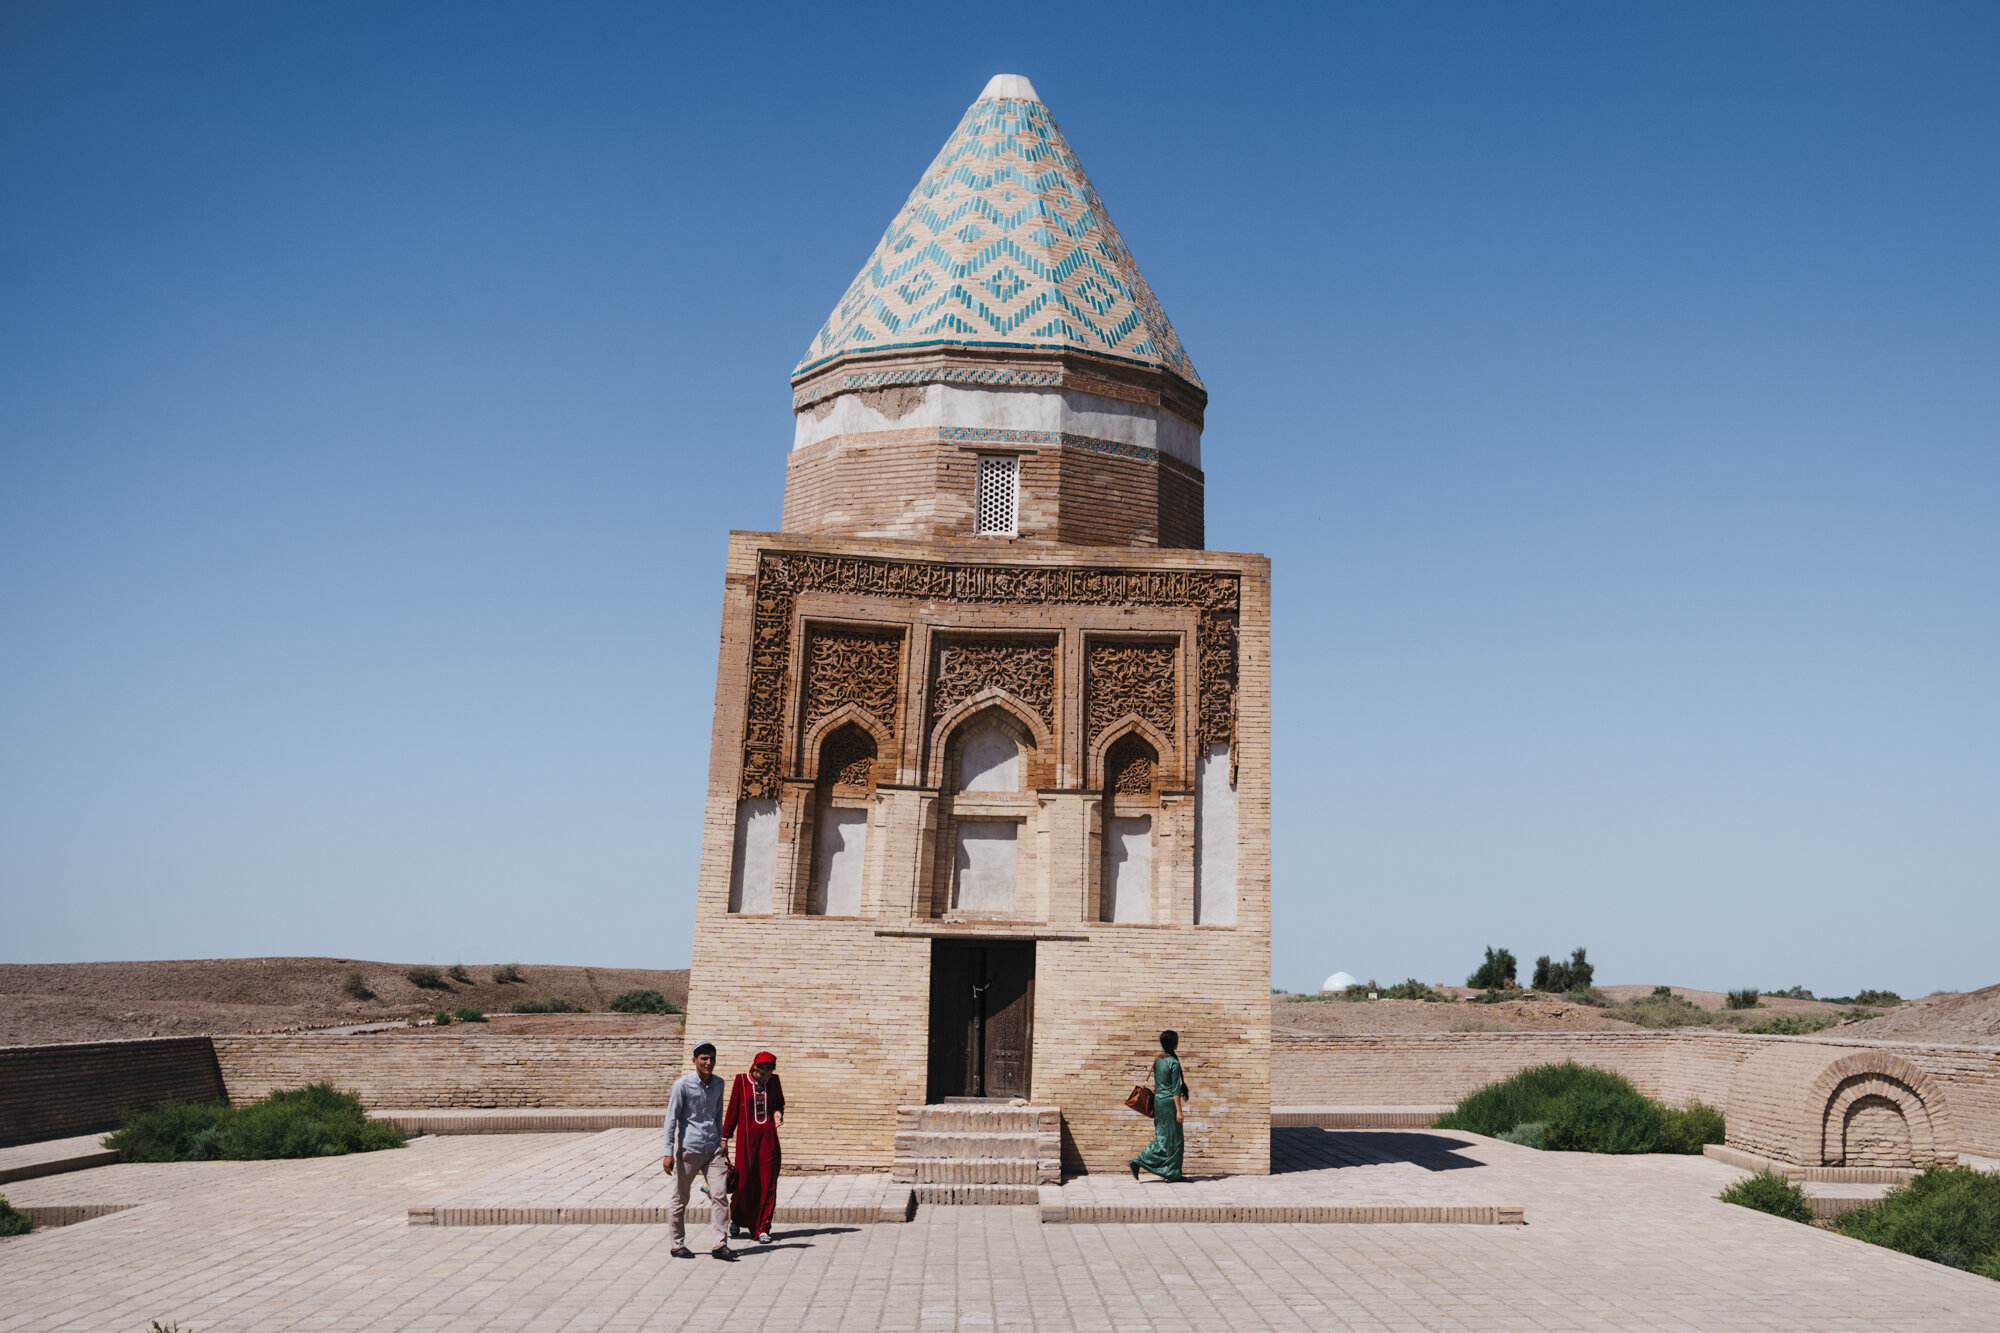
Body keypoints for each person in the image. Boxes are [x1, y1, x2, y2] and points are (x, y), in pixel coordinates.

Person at [663, 1040, 735, 1260]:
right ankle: (677, 1244)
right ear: (694, 1060)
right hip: (689, 1150)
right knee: (680, 1198)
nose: (708, 1062)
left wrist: (723, 1140)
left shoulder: (719, 1084)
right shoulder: (682, 1085)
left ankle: (719, 1244)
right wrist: (668, 1152)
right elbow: (671, 1119)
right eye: (704, 1058)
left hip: (712, 1149)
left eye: (712, 1058)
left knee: (720, 1195)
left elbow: (717, 1114)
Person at [722, 1050, 786, 1243]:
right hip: (746, 1141)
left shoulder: (774, 1082)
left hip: (768, 1139)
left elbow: (778, 1103)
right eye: (762, 1074)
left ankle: (763, 1227)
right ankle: (737, 1217)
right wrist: (725, 1137)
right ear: (754, 1069)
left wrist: (777, 1113)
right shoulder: (741, 1081)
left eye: (768, 1075)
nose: (765, 1078)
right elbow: (733, 1109)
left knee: (768, 1183)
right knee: (743, 1183)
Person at [1129, 1030, 1190, 1182]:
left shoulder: (1158, 1059)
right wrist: (1179, 1111)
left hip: (1158, 1102)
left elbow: (1158, 1084)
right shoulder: (1173, 1063)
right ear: (1173, 1043)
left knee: (1163, 1136)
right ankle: (1145, 1162)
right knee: (1176, 1140)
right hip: (1169, 1103)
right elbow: (1175, 1090)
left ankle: (1168, 1171)